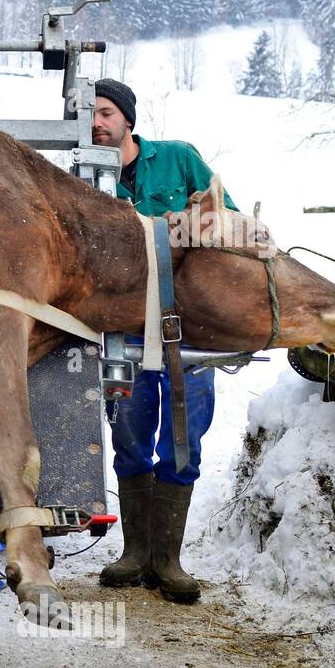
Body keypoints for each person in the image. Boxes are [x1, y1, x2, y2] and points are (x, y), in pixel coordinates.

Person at [91, 78, 238, 603]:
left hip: (186, 333)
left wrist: (187, 223)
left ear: (128, 119)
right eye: (91, 114)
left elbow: (230, 223)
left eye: (105, 112)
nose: (97, 122)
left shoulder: (177, 160)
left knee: (183, 439)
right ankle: (136, 554)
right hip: (125, 335)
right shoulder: (85, 180)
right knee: (129, 438)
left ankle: (168, 560)